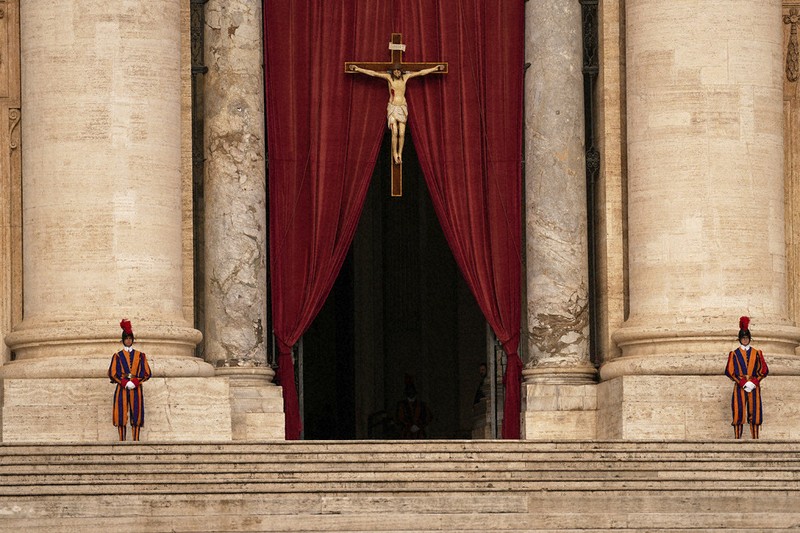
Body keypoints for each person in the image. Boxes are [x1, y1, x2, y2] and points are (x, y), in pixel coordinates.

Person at [349, 63, 445, 165]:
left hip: (402, 107)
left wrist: (435, 68)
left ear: (401, 71)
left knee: (402, 133)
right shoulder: (389, 78)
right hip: (393, 108)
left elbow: (421, 73)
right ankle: (394, 153)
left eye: (398, 70)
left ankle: (400, 153)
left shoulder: (405, 77)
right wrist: (358, 69)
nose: (397, 72)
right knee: (394, 132)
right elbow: (373, 73)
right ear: (393, 72)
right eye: (395, 71)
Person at [724, 316, 769, 439]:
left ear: (749, 338)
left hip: (754, 386)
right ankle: (737, 438)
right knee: (739, 411)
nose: (745, 340)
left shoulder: (757, 353)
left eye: (746, 338)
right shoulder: (734, 353)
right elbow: (729, 371)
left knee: (755, 411)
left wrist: (754, 382)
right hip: (740, 385)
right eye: (743, 338)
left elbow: (764, 370)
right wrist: (743, 382)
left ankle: (755, 438)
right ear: (740, 339)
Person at [108, 319, 152, 441]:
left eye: (130, 338)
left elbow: (147, 372)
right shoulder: (117, 356)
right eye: (126, 338)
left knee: (136, 413)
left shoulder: (140, 355)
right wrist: (124, 382)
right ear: (123, 340)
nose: (128, 340)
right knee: (121, 414)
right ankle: (122, 440)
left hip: (135, 387)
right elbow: (112, 373)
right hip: (122, 387)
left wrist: (135, 382)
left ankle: (136, 440)